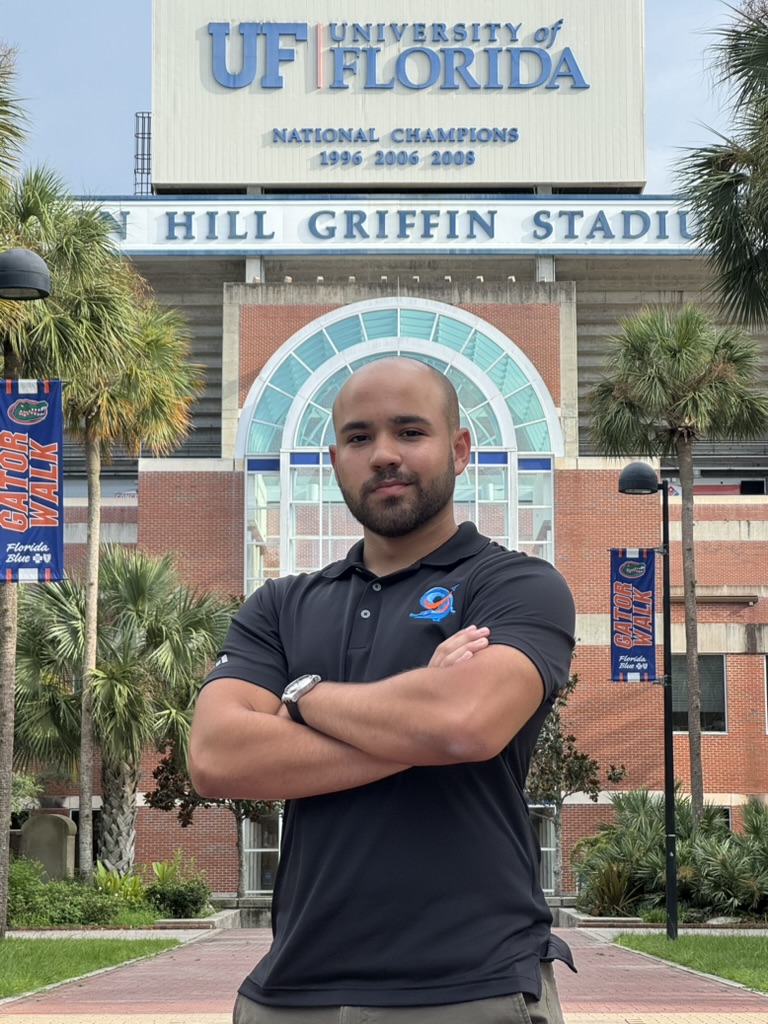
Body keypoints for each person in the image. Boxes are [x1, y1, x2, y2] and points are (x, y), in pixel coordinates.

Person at [189, 356, 577, 1024]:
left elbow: (465, 725)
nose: (385, 455)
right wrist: (421, 719)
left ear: (458, 449)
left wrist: (303, 695)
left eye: (410, 432)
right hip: (289, 993)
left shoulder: (515, 586)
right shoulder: (280, 605)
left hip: (470, 985)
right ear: (335, 457)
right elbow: (218, 756)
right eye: (361, 437)